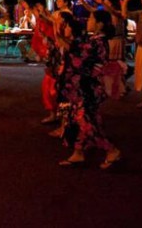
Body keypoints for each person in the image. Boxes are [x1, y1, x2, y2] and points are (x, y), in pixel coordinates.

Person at [57, 11, 122, 170]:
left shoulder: (98, 42)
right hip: (82, 87)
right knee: (81, 120)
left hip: (87, 88)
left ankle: (111, 150)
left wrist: (60, 37)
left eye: (91, 18)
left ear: (99, 23)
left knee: (85, 122)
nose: (88, 21)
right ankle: (78, 152)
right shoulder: (94, 39)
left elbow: (79, 58)